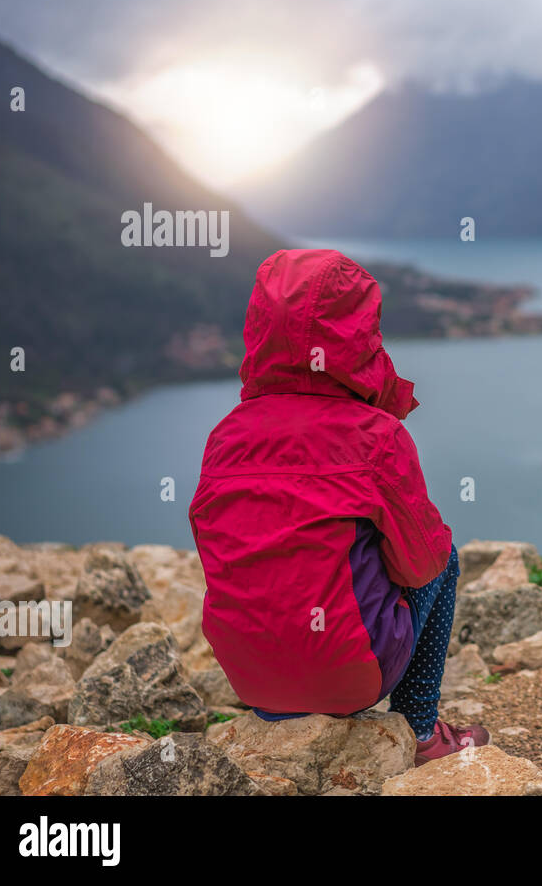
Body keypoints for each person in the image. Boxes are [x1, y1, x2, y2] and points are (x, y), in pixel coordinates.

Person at [188, 248, 488, 764]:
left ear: (258, 327)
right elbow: (424, 562)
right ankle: (418, 732)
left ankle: (285, 698)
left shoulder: (225, 436)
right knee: (447, 554)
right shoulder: (376, 436)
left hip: (249, 677)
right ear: (360, 334)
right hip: (348, 676)